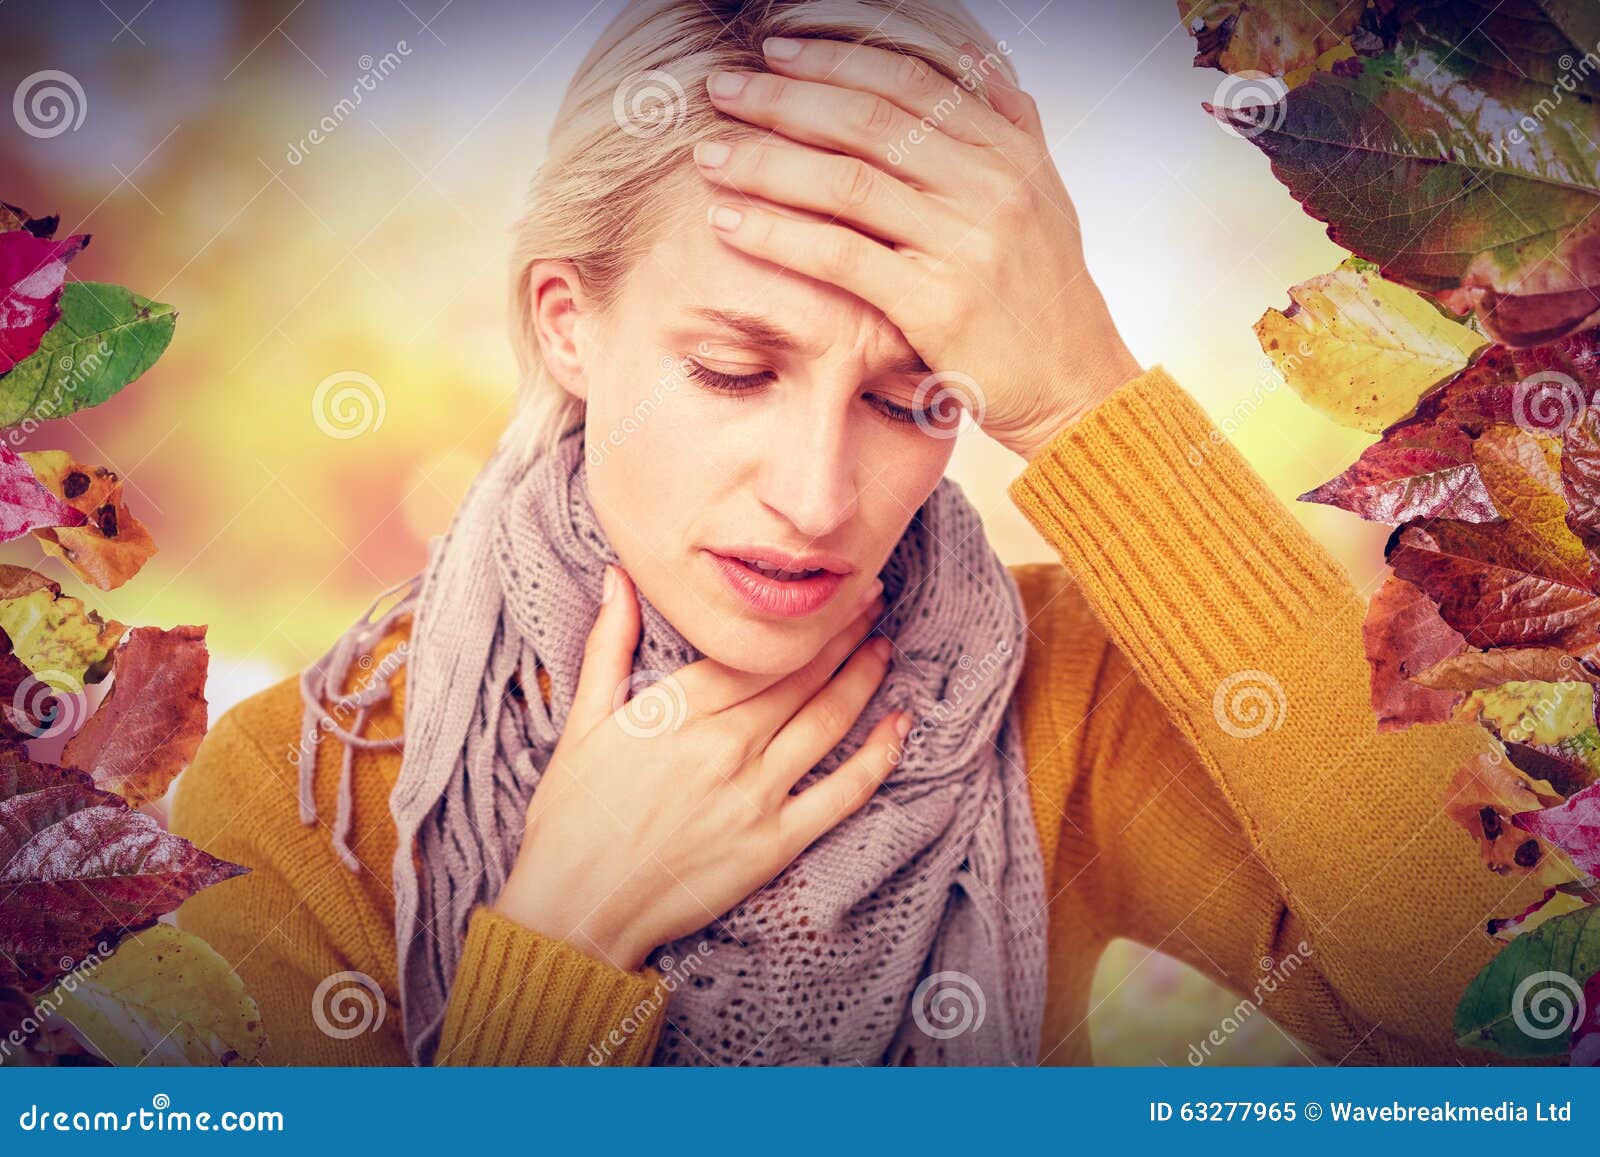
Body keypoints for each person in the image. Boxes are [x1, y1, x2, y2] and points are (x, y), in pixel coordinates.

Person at [168, 0, 1540, 1066]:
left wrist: (1085, 398)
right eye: (734, 370)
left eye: (907, 397)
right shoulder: (302, 788)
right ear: (568, 325)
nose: (819, 498)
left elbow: (1506, 1014)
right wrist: (562, 938)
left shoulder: (1070, 693)